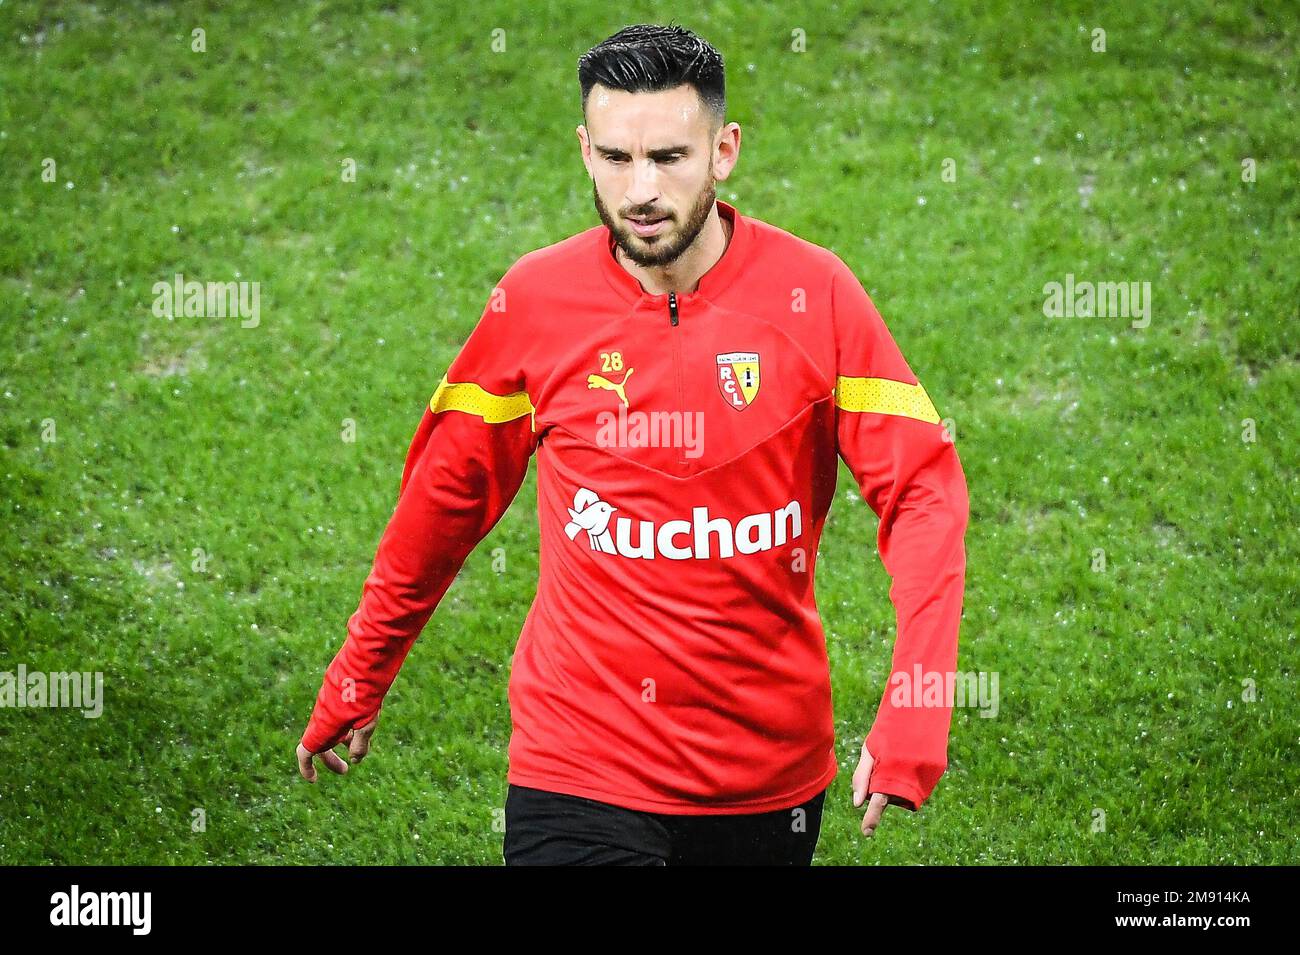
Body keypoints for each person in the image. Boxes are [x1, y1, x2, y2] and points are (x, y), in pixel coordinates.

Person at [296, 22, 969, 866]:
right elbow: (445, 499)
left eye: (669, 158)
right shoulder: (534, 302)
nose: (641, 189)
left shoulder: (816, 295)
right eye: (616, 158)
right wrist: (360, 670)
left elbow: (925, 495)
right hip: (576, 764)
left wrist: (916, 708)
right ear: (583, 149)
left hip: (767, 780)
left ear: (724, 152)